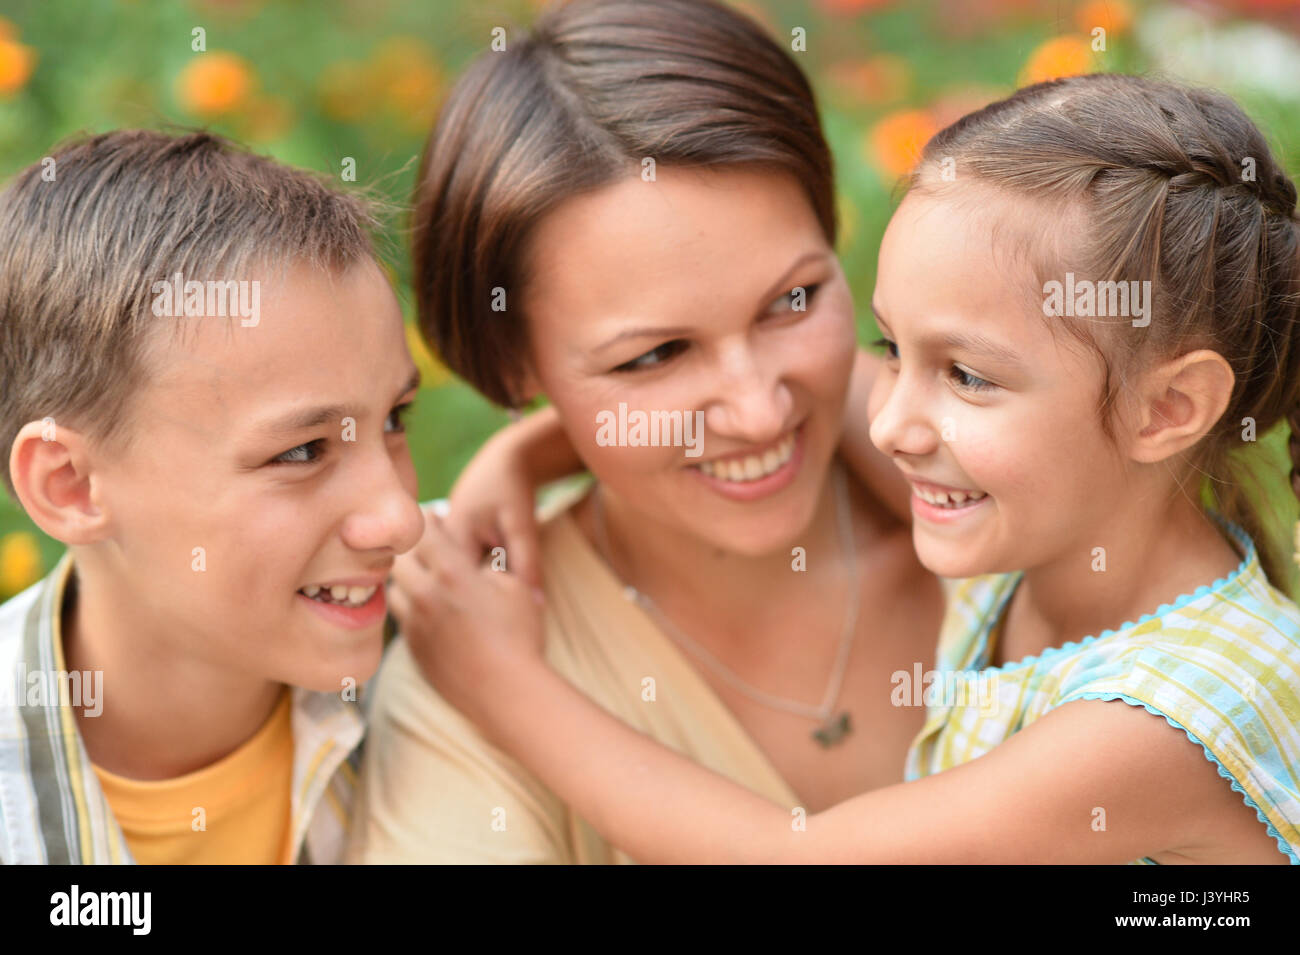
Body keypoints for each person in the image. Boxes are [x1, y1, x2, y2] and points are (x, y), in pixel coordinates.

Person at [395, 74, 1300, 864]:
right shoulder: (1062, 517)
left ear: (1170, 409)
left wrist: (500, 679)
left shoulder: (1158, 722)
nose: (891, 419)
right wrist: (524, 451)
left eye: (964, 373)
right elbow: (791, 413)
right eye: (890, 346)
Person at [346, 0, 941, 863]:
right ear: (516, 367)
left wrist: (537, 443)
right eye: (657, 354)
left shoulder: (1003, 512)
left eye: (793, 300)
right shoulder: (469, 658)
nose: (760, 411)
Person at [0, 129, 426, 864]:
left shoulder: (453, 637)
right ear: (70, 485)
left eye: (394, 420)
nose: (402, 519)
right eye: (301, 451)